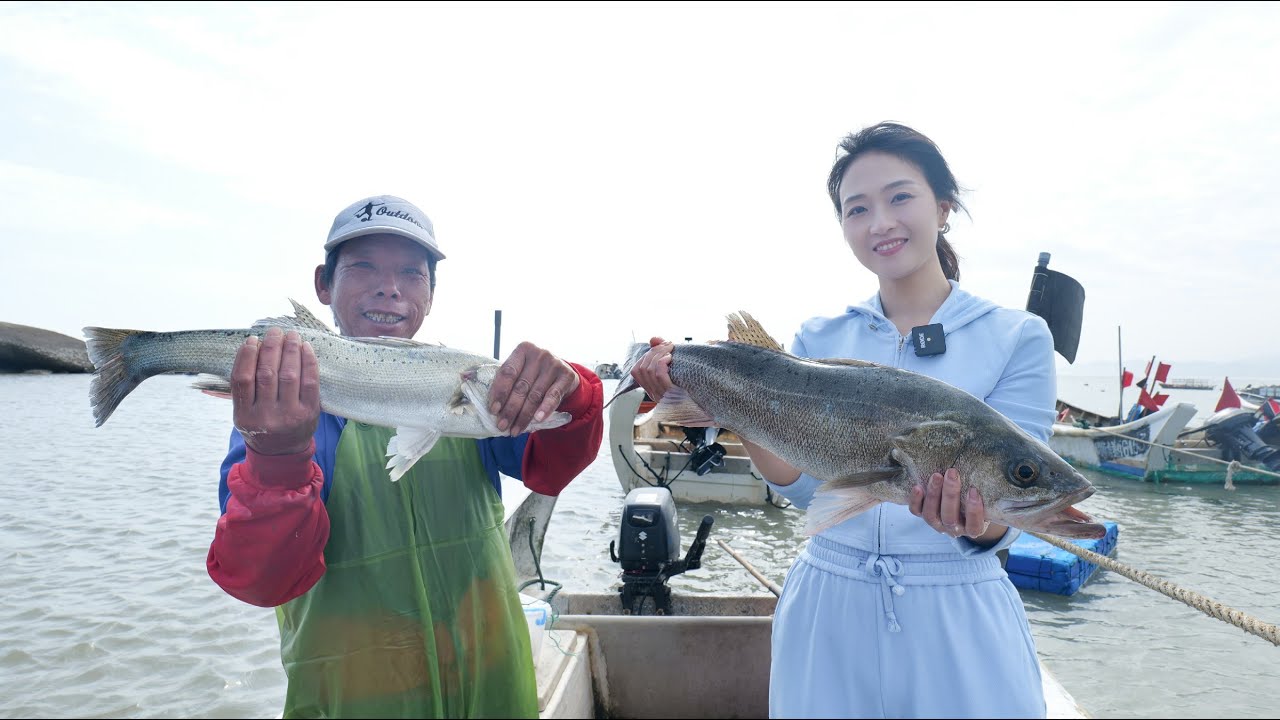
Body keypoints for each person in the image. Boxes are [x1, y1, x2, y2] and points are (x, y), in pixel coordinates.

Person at [629, 122, 1055, 718]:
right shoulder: (818, 337)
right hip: (828, 607)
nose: (880, 221)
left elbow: (1015, 501)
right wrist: (725, 402)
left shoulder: (1017, 337)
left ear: (943, 205)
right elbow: (806, 491)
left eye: (900, 197)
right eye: (858, 208)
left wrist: (970, 523)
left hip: (958, 610)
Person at [206, 194, 604, 718]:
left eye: (412, 274)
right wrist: (277, 456)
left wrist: (574, 393)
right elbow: (261, 579)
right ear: (323, 284)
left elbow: (553, 466)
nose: (389, 287)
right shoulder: (285, 422)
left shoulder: (466, 388)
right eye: (363, 267)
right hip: (352, 703)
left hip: (492, 693)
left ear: (432, 295)